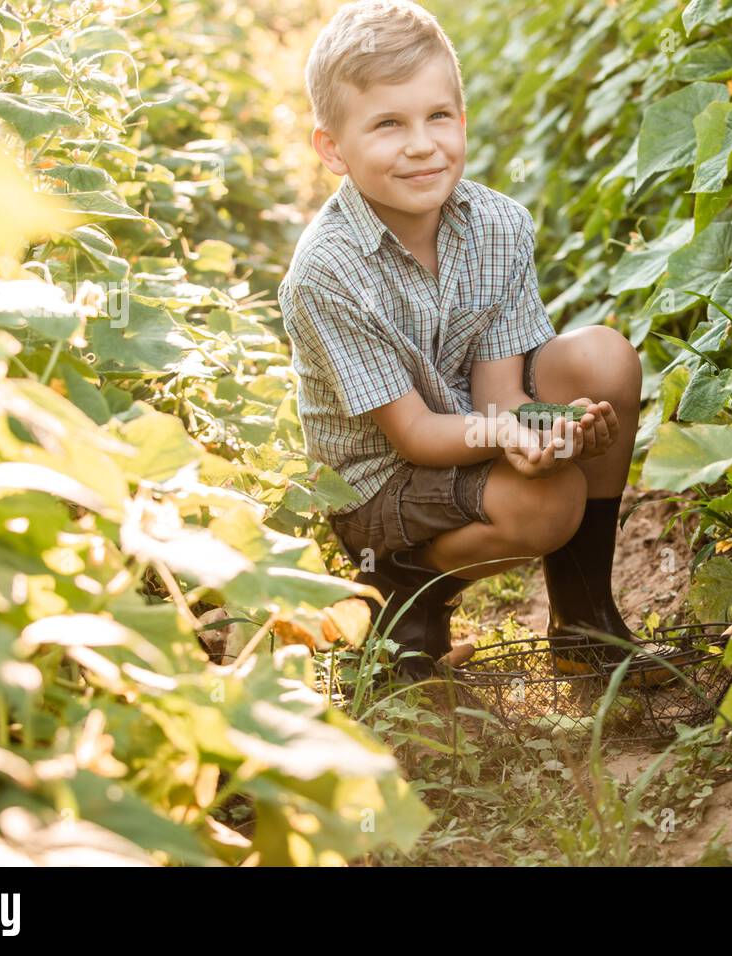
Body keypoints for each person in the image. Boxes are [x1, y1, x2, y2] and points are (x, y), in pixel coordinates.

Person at [279, 0, 662, 685]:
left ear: (462, 119)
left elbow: (499, 397)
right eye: (388, 124)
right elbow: (418, 437)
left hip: (467, 430)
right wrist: (509, 440)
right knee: (549, 502)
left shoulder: (496, 225)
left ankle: (583, 623)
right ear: (333, 149)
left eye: (438, 117)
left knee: (603, 357)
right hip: (380, 483)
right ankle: (406, 592)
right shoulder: (326, 272)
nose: (422, 144)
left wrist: (546, 431)